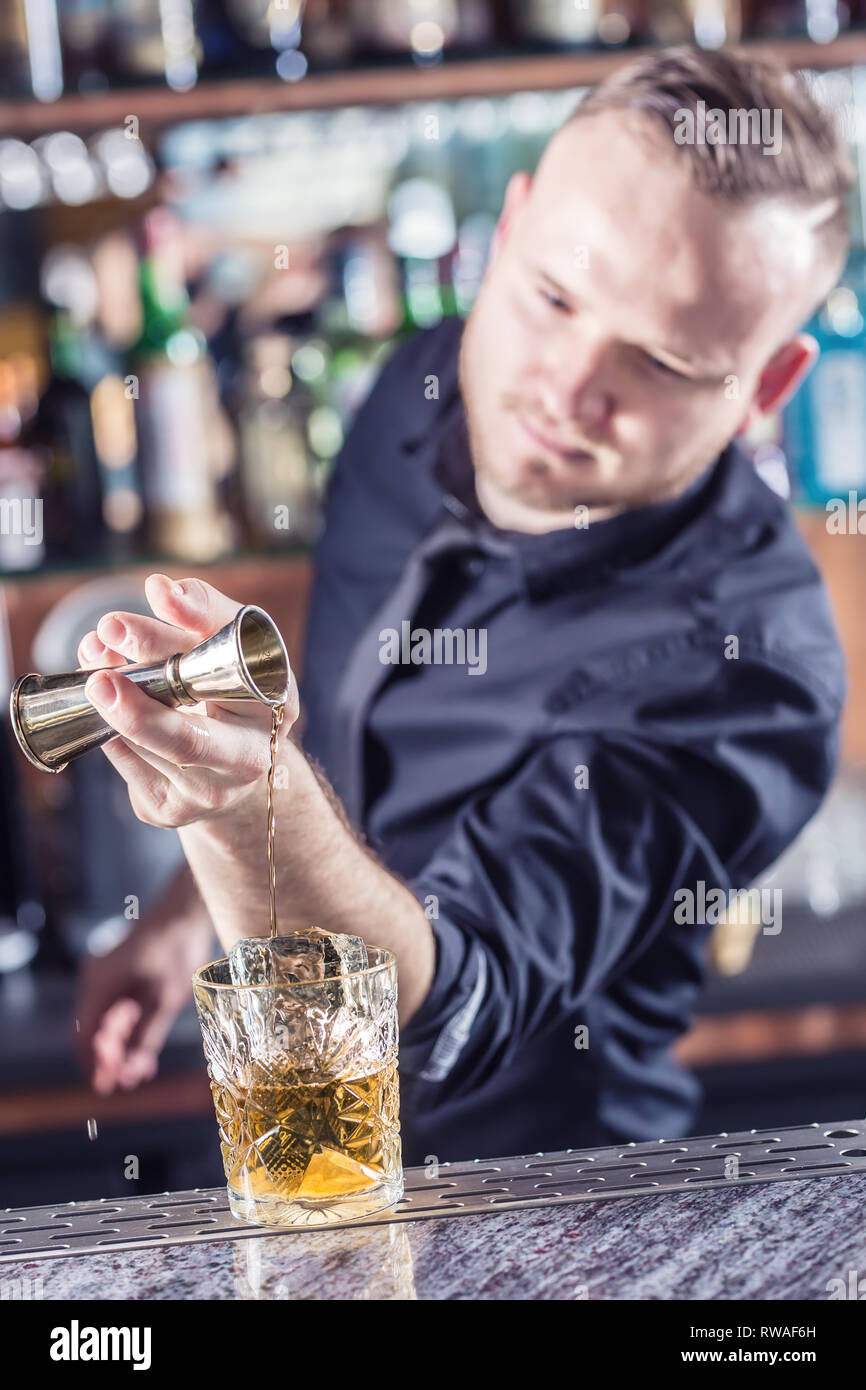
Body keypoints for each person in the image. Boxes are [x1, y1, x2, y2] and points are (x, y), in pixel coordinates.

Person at [73, 46, 850, 1164]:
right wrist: (182, 917)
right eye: (550, 295)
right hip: (279, 1152)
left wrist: (246, 811)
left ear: (764, 388)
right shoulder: (417, 383)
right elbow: (344, 744)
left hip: (545, 1218)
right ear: (509, 224)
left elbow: (452, 1003)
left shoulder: (746, 669)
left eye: (664, 362)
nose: (565, 387)